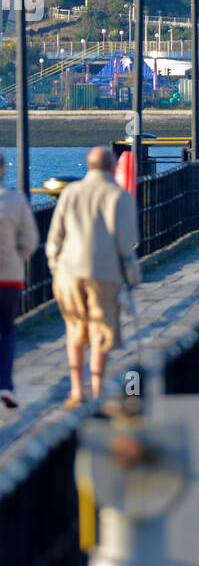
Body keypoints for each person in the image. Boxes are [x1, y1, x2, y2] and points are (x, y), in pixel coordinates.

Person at [46, 146, 140, 409]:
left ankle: (77, 389)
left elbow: (55, 237)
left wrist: (56, 266)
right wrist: (133, 276)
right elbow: (127, 242)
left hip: (69, 272)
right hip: (104, 272)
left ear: (88, 167)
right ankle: (97, 392)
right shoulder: (118, 196)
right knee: (101, 331)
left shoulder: (71, 193)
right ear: (112, 167)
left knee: (74, 329)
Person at [0, 151, 39, 409]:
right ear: (3, 171)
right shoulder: (15, 200)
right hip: (9, 277)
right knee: (6, 331)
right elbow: (31, 240)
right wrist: (17, 258)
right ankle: (5, 384)